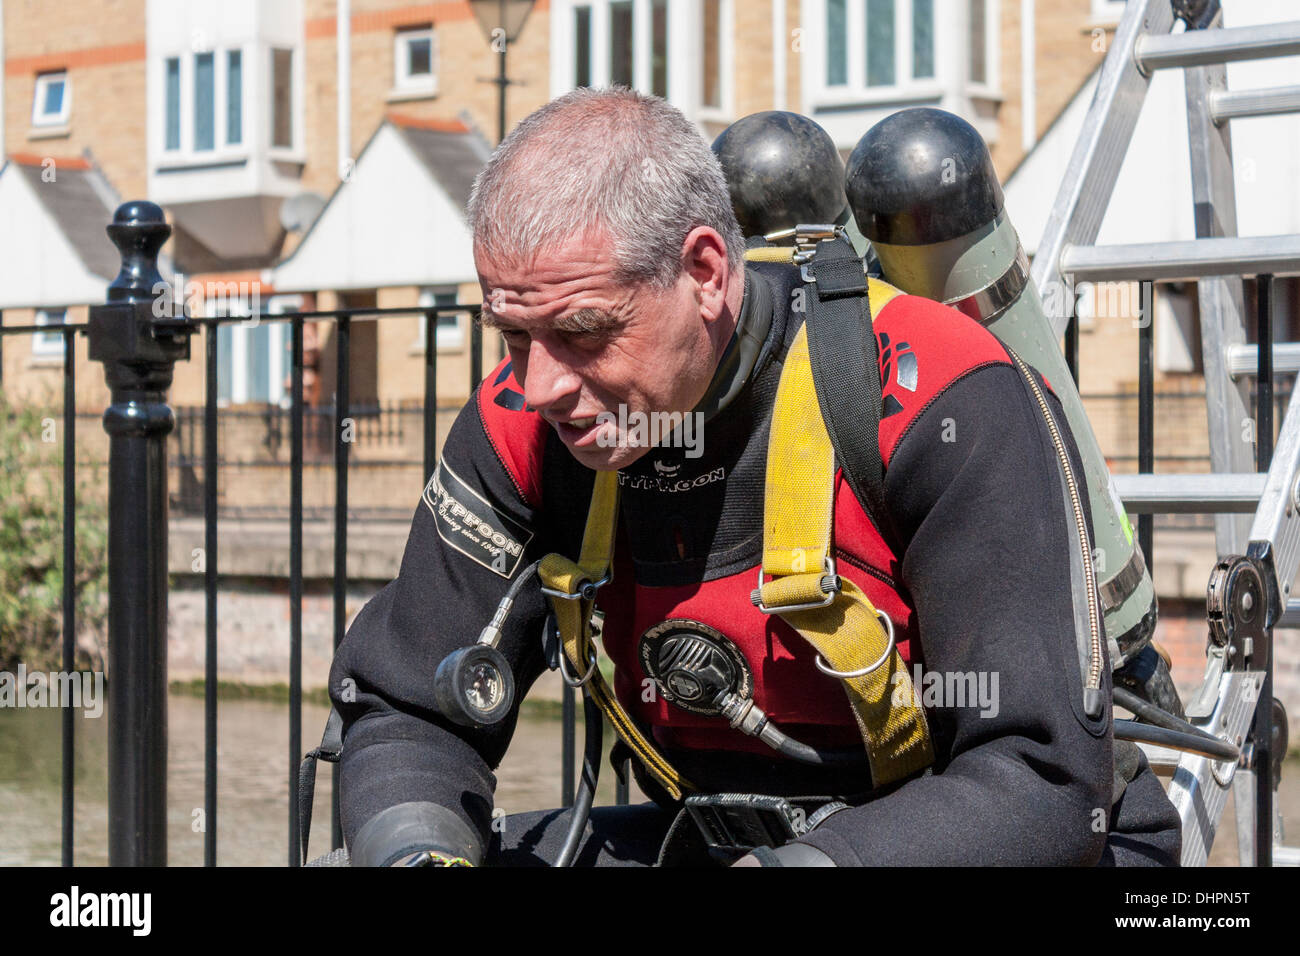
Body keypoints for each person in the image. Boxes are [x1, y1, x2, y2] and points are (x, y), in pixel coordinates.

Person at [328, 87, 1183, 867]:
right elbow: (409, 710)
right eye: (513, 335)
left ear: (704, 272)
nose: (542, 383)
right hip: (712, 838)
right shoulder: (523, 423)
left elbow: (1043, 780)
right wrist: (415, 851)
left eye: (584, 331)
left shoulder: (934, 395)